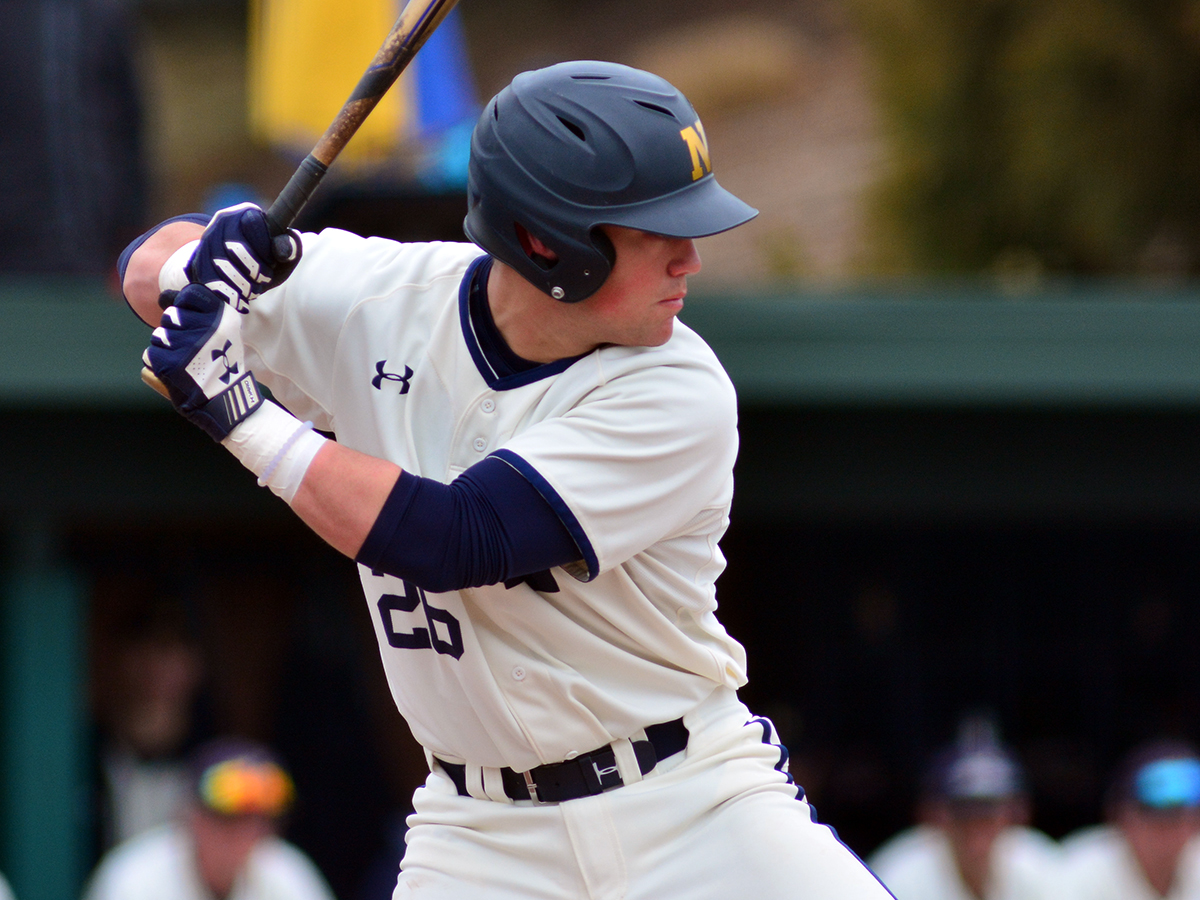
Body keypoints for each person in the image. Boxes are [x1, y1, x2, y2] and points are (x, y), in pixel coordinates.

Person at [118, 60, 893, 899]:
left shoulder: (678, 389)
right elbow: (142, 269)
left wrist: (246, 418)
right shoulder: (388, 297)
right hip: (480, 832)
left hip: (691, 802)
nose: (690, 259)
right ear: (545, 241)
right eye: (657, 231)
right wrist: (214, 255)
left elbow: (456, 538)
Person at [82, 737, 335, 900]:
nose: (243, 835)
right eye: (227, 819)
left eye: (258, 821)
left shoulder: (287, 875)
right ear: (190, 817)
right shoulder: (134, 880)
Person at [868, 725, 1066, 900]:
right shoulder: (899, 873)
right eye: (964, 815)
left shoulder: (1040, 864)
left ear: (1013, 816)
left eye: (987, 816)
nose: (976, 827)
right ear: (935, 817)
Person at [1061, 739, 1200, 900]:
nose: (1175, 831)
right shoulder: (1078, 870)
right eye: (1160, 818)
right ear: (1120, 817)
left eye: (1187, 817)